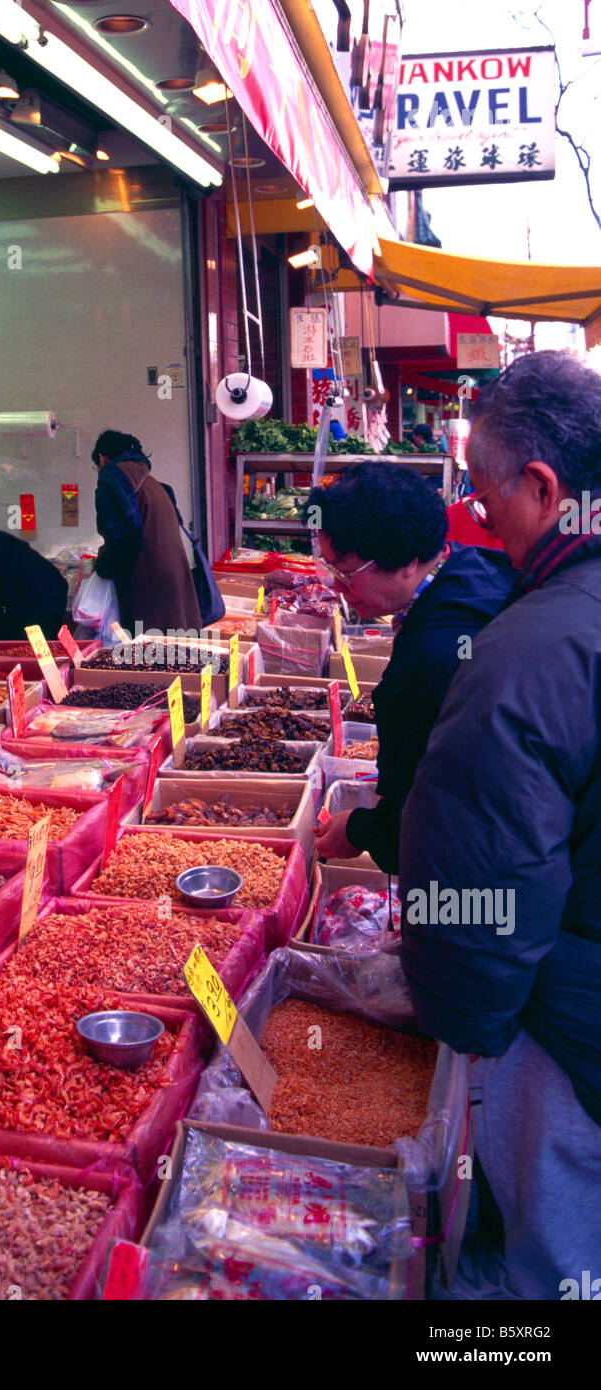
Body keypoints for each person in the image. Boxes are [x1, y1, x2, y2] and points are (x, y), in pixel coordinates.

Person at [399, 350, 601, 1299]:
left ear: (541, 486)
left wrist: (459, 1026)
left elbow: (483, 870)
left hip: (567, 1018)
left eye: (481, 501)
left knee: (546, 1267)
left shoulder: (533, 647)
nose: (477, 524)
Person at [308, 462, 513, 872]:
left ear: (407, 559)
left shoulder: (432, 659)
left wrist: (363, 830)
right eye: (330, 570)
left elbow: (436, 813)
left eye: (347, 573)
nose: (335, 587)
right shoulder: (472, 567)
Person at [91, 430, 201, 634]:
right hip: (174, 578)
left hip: (147, 583)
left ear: (102, 458)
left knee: (150, 654)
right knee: (174, 653)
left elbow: (123, 540)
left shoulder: (112, 481)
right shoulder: (151, 482)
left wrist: (100, 567)